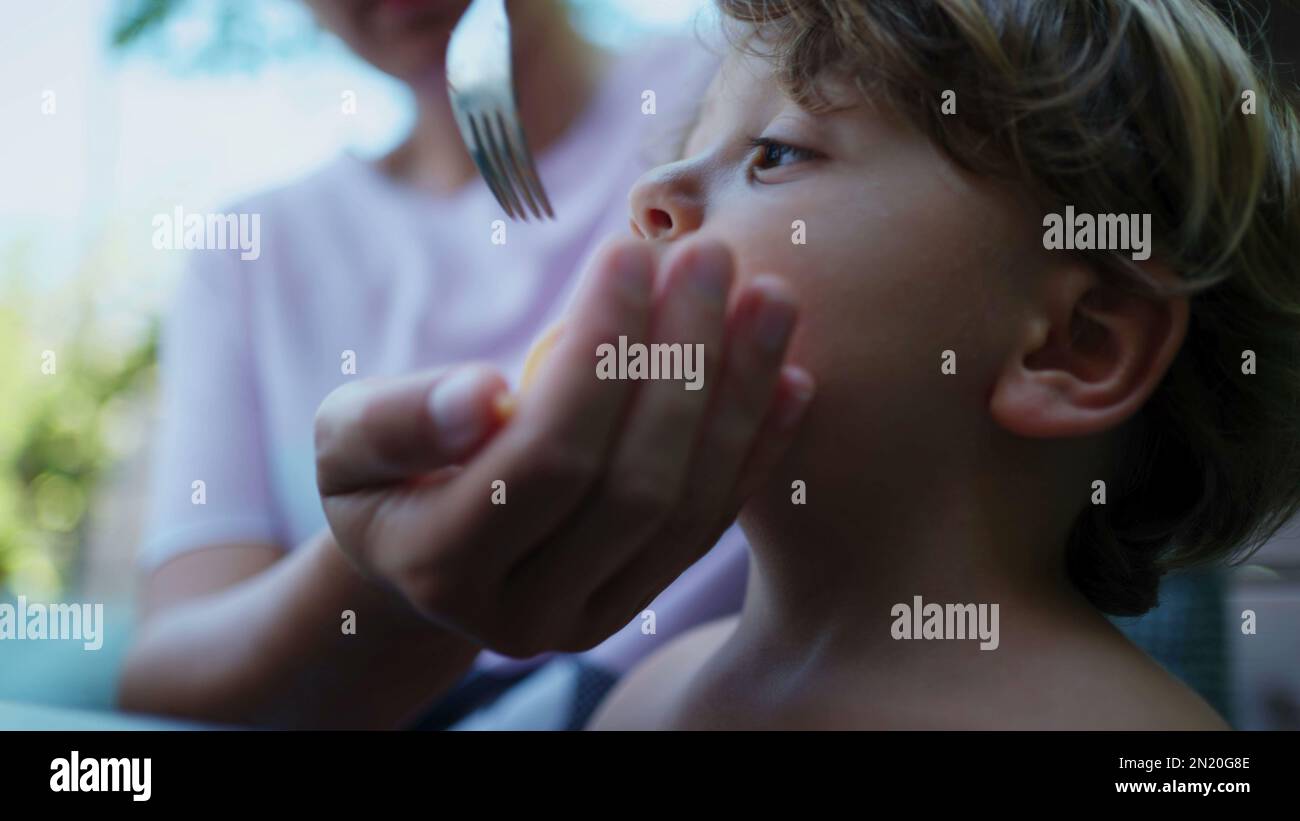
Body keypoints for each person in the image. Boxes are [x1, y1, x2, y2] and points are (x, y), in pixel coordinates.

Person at [591, 0, 1300, 729]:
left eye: (776, 153)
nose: (651, 194)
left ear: (1073, 344)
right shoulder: (645, 693)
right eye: (690, 144)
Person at [118, 0, 815, 729]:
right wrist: (377, 582)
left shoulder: (745, 70)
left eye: (776, 157)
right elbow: (162, 684)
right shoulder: (251, 250)